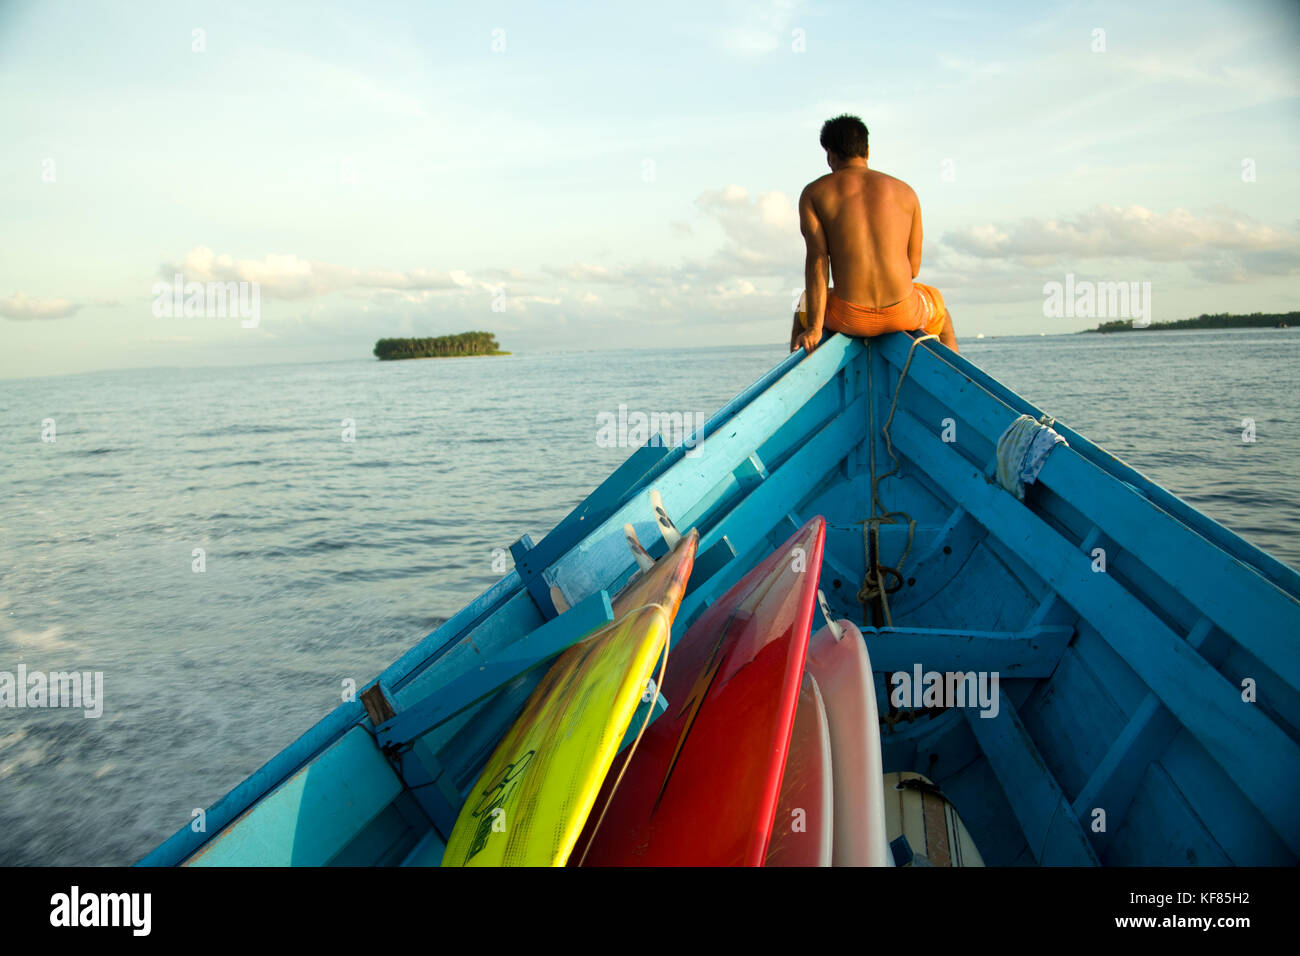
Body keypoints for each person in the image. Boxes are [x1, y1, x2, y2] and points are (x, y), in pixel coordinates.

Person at [791, 114, 958, 354]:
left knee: (802, 308)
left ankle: (801, 383)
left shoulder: (814, 193)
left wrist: (815, 329)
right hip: (904, 313)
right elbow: (913, 268)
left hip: (849, 318)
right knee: (941, 313)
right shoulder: (906, 192)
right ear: (867, 151)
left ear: (830, 154)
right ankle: (954, 384)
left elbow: (817, 261)